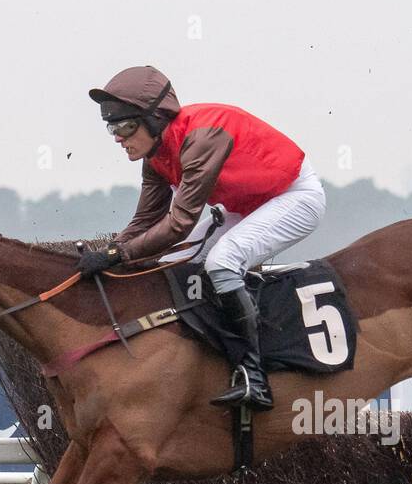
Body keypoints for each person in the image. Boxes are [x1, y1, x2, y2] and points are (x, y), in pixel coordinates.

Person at [79, 65, 327, 411]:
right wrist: (110, 251)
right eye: (112, 127)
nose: (118, 137)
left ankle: (255, 378)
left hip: (294, 196)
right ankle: (208, 363)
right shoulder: (154, 157)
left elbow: (178, 224)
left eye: (125, 126)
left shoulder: (201, 138)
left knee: (221, 262)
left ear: (155, 119)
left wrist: (117, 256)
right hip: (245, 205)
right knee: (172, 266)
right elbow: (146, 221)